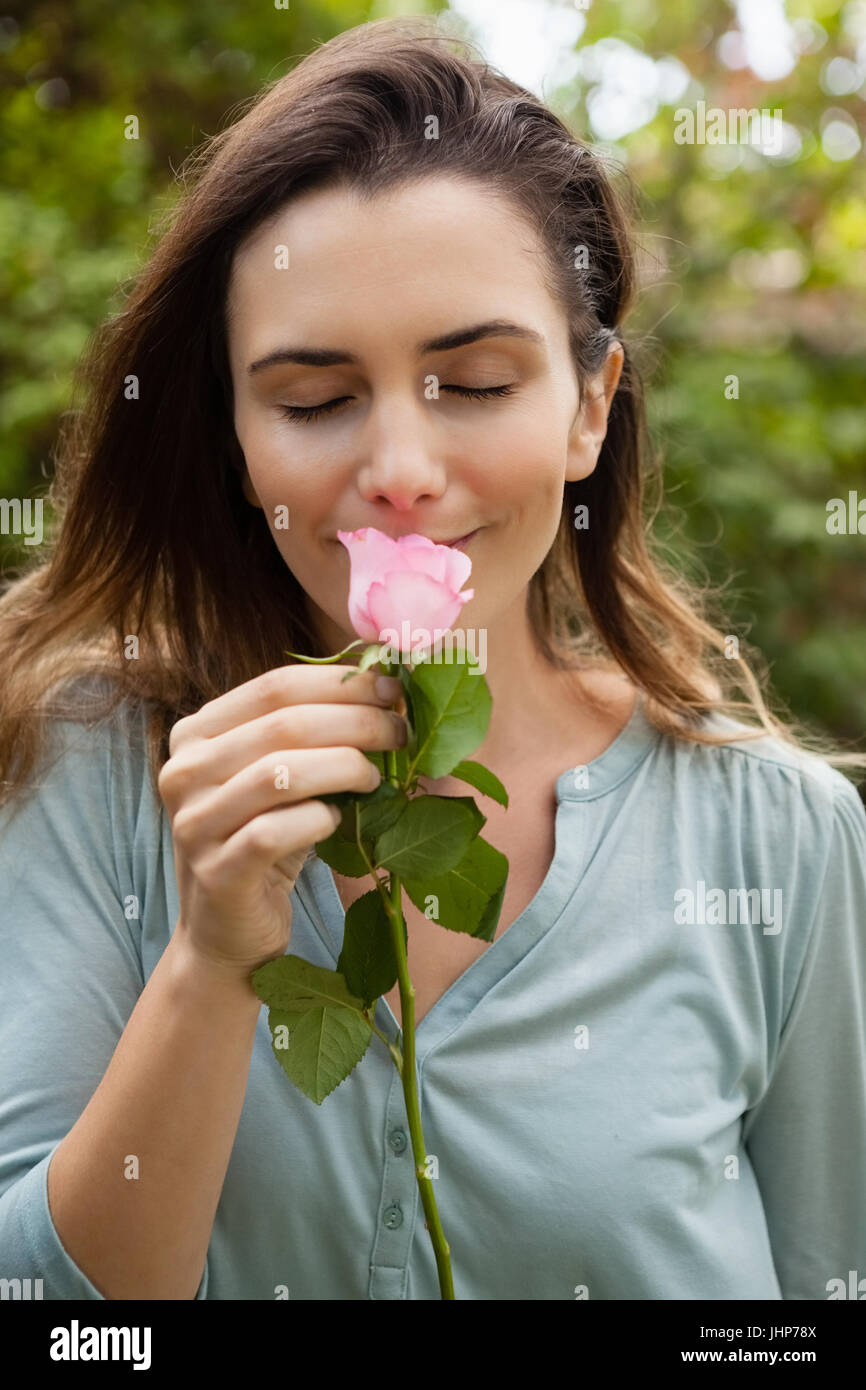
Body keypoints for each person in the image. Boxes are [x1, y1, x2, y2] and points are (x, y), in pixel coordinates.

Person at [0, 15, 863, 1302]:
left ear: (588, 406)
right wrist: (212, 956)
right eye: (310, 399)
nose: (398, 472)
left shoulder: (776, 840)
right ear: (236, 434)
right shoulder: (95, 769)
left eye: (472, 380)